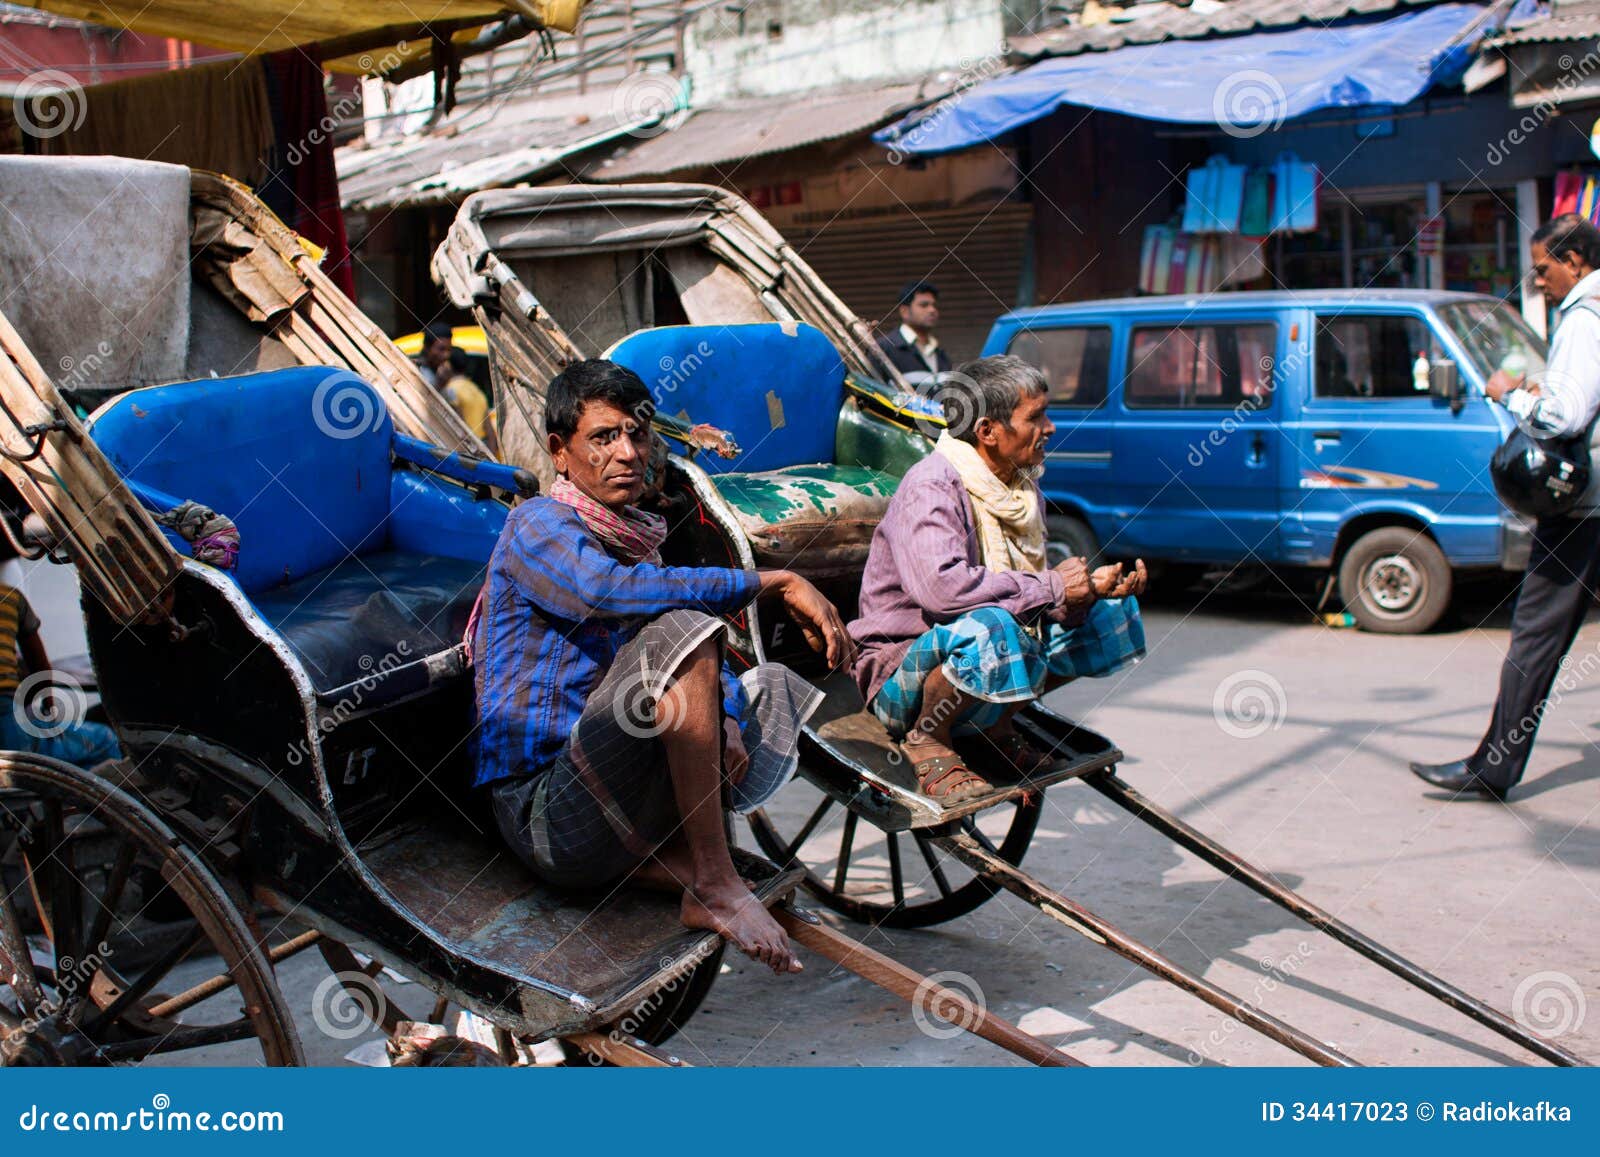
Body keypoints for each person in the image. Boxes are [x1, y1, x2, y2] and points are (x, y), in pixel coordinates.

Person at [473, 359, 851, 972]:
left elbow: (682, 632)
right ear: (559, 452)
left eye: (637, 434)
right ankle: (713, 880)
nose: (626, 453)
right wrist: (769, 580)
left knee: (740, 682)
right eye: (603, 437)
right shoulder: (536, 524)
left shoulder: (635, 536)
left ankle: (690, 872)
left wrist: (723, 716)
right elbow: (605, 592)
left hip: (612, 801)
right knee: (686, 629)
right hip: (547, 815)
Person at [847, 355, 1147, 802]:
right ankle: (930, 736)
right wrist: (1053, 586)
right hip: (901, 671)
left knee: (1110, 615)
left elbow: (1027, 593)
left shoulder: (1021, 486)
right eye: (1036, 417)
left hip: (979, 652)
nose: (1050, 428)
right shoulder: (931, 487)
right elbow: (945, 592)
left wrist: (1089, 592)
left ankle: (998, 724)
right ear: (987, 431)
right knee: (995, 627)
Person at [1410, 213, 1600, 801]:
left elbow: (1566, 416)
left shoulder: (1587, 315)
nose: (1538, 280)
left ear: (1574, 263)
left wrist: (1510, 393)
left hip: (1583, 511)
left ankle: (1493, 768)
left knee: (1535, 639)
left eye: (1544, 268)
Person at [0, 581, 120, 767]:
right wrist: (48, 708)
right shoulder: (10, 596)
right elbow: (39, 669)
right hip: (5, 718)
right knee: (104, 741)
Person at [876, 281, 952, 376]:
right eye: (924, 305)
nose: (932, 310)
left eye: (934, 305)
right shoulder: (884, 349)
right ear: (904, 311)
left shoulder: (941, 354)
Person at [440, 348, 490, 439]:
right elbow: (489, 429)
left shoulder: (450, 390)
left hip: (467, 446)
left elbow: (458, 425)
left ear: (448, 365)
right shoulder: (476, 389)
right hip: (482, 444)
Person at [416, 323, 453, 387]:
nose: (447, 355)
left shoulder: (443, 376)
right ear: (427, 348)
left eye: (449, 349)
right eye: (441, 349)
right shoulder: (416, 373)